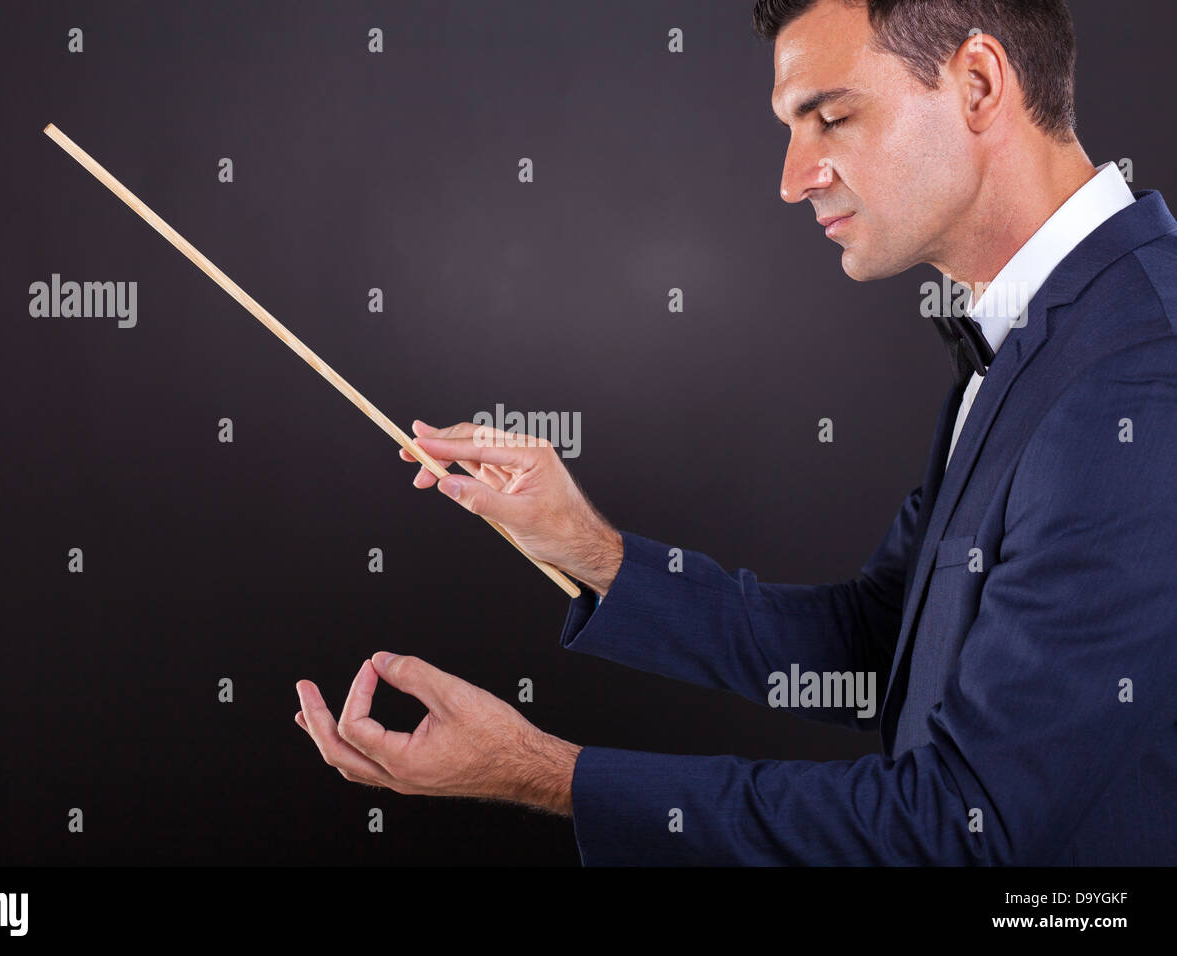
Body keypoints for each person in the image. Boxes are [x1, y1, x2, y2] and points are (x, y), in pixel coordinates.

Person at [294, 0, 1177, 864]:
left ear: (980, 83)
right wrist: (590, 549)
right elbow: (881, 643)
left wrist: (544, 773)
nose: (792, 179)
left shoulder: (1136, 373)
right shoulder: (1038, 331)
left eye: (830, 118)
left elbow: (965, 823)